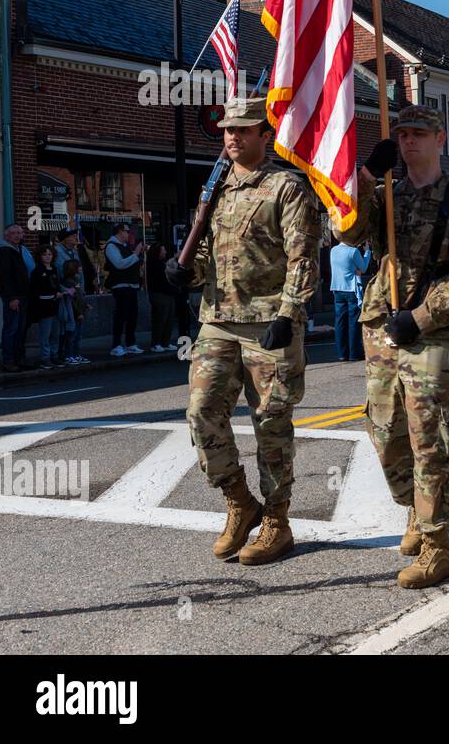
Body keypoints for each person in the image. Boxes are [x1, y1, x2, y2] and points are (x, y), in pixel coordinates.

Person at [336, 103, 449, 589]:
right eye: (402, 134)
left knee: (428, 435)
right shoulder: (387, 197)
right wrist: (363, 176)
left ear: (439, 139)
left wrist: (420, 317)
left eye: (418, 133)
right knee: (385, 430)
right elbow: (344, 229)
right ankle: (416, 510)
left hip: (432, 332)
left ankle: (437, 543)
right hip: (381, 324)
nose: (408, 142)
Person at [167, 96, 321, 565]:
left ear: (263, 135)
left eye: (244, 130)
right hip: (217, 320)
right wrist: (182, 272)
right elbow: (204, 251)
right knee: (201, 413)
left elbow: (304, 258)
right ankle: (239, 501)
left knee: (271, 424)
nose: (233, 137)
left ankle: (277, 520)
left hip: (268, 325)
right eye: (229, 131)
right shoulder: (215, 187)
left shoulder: (287, 187)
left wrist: (288, 315)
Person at [104, 223, 144, 356]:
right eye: (127, 231)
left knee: (132, 315)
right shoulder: (111, 246)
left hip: (131, 285)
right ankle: (116, 345)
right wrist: (136, 254)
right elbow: (119, 264)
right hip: (120, 286)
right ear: (120, 232)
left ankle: (130, 343)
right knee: (121, 316)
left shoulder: (124, 246)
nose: (129, 234)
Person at [0, 223, 30, 372]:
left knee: (21, 329)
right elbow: (5, 277)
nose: (17, 235)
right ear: (7, 236)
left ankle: (19, 359)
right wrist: (11, 297)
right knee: (11, 328)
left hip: (24, 295)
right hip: (14, 297)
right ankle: (8, 361)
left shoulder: (20, 251)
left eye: (19, 233)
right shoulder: (4, 252)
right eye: (14, 233)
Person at [329, 239, 368, 361]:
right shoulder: (353, 251)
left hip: (337, 289)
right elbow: (364, 268)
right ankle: (355, 353)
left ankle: (342, 353)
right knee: (354, 322)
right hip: (351, 289)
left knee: (340, 322)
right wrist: (367, 252)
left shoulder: (333, 250)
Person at [27, 246, 63, 370]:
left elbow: (56, 285)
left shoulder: (54, 269)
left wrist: (59, 292)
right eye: (44, 254)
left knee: (55, 333)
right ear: (39, 256)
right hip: (44, 307)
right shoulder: (37, 272)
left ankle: (54, 356)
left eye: (50, 254)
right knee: (45, 335)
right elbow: (36, 291)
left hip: (55, 306)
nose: (47, 256)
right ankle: (45, 358)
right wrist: (53, 294)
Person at [146, 243, 177, 352]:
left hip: (168, 294)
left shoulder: (162, 263)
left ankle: (165, 342)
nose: (165, 252)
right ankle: (156, 343)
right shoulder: (154, 264)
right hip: (159, 294)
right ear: (158, 252)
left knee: (169, 319)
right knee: (160, 319)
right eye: (163, 250)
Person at [58, 258, 88, 365]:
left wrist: (85, 305)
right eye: (79, 266)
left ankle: (76, 354)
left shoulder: (76, 280)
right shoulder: (70, 282)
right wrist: (78, 313)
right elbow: (72, 300)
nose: (81, 268)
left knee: (77, 335)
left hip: (79, 311)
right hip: (75, 314)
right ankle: (69, 355)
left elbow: (79, 296)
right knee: (72, 336)